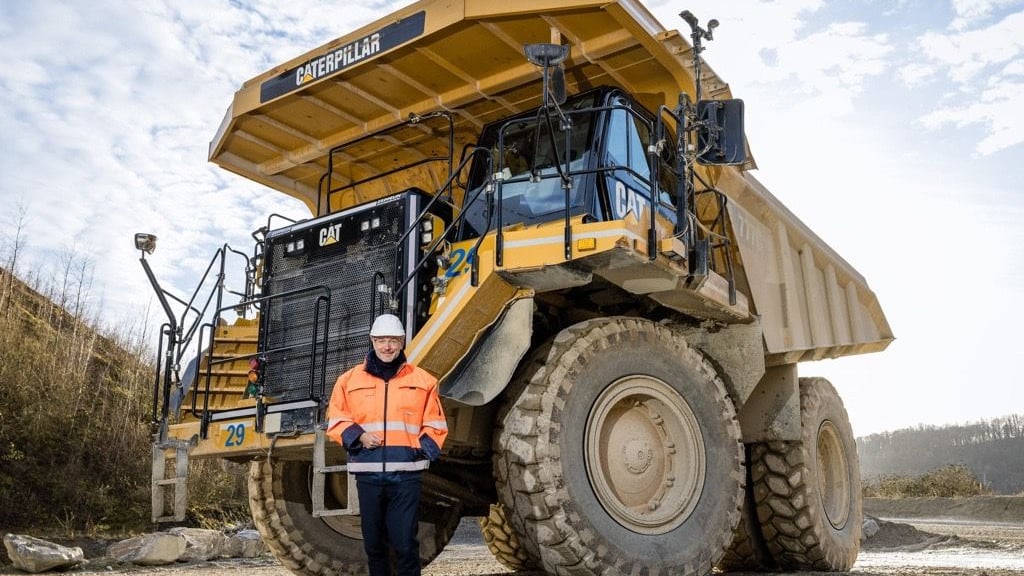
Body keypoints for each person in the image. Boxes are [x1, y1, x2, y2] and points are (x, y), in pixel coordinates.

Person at [326, 313, 448, 576]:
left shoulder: (423, 381)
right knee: (374, 546)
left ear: (403, 342)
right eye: (381, 340)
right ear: (372, 341)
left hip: (406, 476)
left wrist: (419, 452)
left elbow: (436, 424)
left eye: (393, 340)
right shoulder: (348, 381)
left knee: (405, 544)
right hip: (368, 474)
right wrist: (358, 436)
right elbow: (335, 419)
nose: (387, 347)